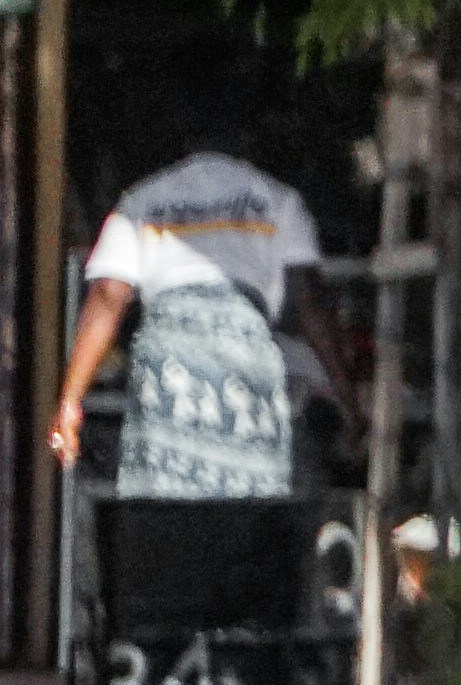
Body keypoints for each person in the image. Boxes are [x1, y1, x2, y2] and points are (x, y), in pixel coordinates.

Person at [39, 152, 325, 501]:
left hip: (169, 363)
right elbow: (310, 302)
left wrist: (70, 401)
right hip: (244, 358)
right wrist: (348, 399)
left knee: (164, 497)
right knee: (249, 502)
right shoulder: (276, 198)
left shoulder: (144, 199)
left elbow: (108, 295)